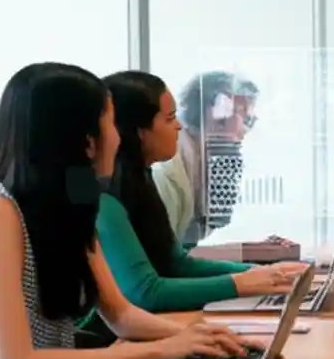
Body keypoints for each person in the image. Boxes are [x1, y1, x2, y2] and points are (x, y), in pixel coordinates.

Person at [0, 63, 257, 359]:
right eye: (111, 123)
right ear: (86, 140)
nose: (119, 137)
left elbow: (121, 315)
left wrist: (203, 336)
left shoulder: (73, 201)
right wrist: (159, 351)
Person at [92, 71, 305, 319]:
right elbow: (145, 291)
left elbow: (176, 263)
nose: (179, 125)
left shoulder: (142, 176)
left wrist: (263, 274)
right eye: (170, 118)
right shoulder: (112, 194)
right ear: (139, 131)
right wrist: (243, 283)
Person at [152, 70, 261, 245]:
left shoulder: (200, 163)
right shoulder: (167, 172)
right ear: (217, 117)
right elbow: (167, 258)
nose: (245, 132)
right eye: (247, 119)